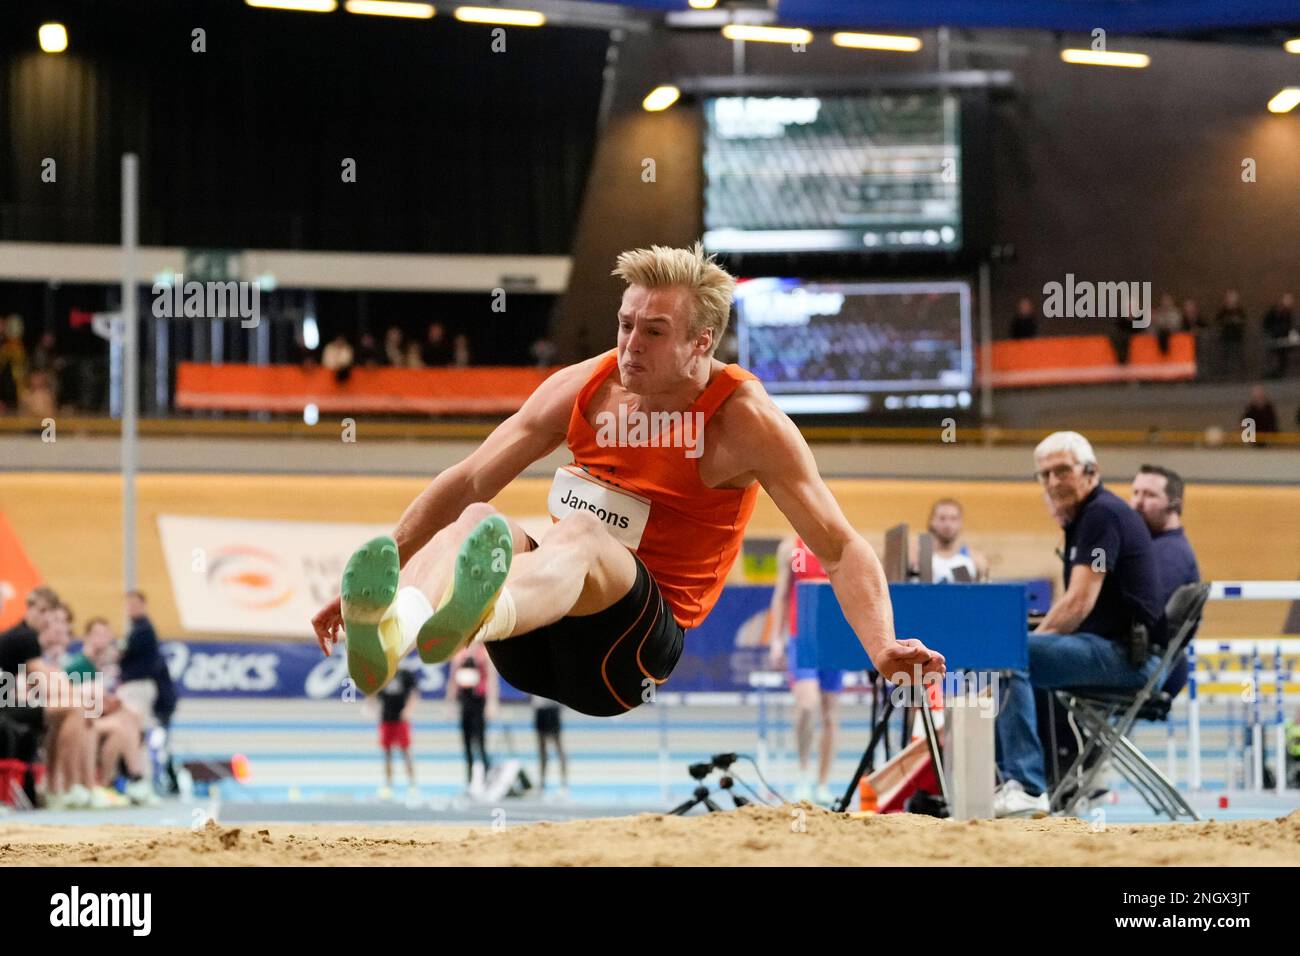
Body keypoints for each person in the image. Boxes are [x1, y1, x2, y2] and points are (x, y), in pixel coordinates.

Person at [312, 242, 942, 736]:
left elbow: (837, 547)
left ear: (702, 342)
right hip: (532, 638)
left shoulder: (744, 421)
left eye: (654, 332)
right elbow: (471, 475)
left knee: (581, 532)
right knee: (481, 516)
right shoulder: (587, 385)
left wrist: (882, 645)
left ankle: (478, 612)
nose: (629, 347)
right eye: (625, 324)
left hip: (626, 656)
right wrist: (390, 559)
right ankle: (404, 624)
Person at [993, 431, 1165, 817]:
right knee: (1017, 654)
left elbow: (1078, 603)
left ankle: (1027, 786)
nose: (1053, 482)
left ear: (1090, 471)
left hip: (1130, 658)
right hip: (1114, 649)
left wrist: (1023, 646)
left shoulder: (1102, 516)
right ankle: (1036, 780)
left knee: (1005, 654)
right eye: (1044, 475)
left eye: (1061, 471)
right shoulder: (1088, 518)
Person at [768, 534, 847, 804]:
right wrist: (776, 641)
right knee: (806, 704)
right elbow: (780, 596)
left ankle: (822, 783)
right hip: (801, 638)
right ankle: (802, 775)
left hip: (835, 639)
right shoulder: (791, 548)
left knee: (829, 714)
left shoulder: (841, 543)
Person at [1129, 465, 1201, 697]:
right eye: (1136, 492)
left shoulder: (1170, 554)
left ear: (1175, 505)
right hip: (1150, 661)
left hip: (1149, 666)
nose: (1138, 502)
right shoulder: (1152, 548)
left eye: (1149, 495)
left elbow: (1145, 614)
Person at [447, 641, 497, 796]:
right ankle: (469, 781)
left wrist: (491, 702)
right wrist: (449, 703)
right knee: (467, 742)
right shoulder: (460, 653)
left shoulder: (484, 653)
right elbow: (453, 679)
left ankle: (486, 778)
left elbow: (491, 678)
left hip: (479, 701)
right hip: (465, 701)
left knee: (480, 742)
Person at [376, 658, 419, 799]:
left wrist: (409, 710)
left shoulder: (406, 674)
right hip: (386, 718)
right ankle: (388, 784)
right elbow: (374, 692)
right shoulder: (382, 674)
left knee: (406, 753)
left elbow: (414, 694)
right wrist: (369, 706)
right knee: (387, 754)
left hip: (401, 719)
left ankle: (412, 784)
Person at [919, 498, 989, 582]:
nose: (947, 524)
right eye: (942, 518)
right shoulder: (917, 559)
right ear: (932, 521)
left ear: (960, 522)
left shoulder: (976, 561)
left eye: (953, 518)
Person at [530, 695, 567, 799]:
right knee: (542, 750)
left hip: (553, 707)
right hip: (539, 708)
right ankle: (542, 785)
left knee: (558, 747)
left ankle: (563, 785)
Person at [1215, 290, 1247, 381]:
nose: (1232, 300)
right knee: (1224, 356)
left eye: (1234, 298)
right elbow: (1218, 320)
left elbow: (1244, 320)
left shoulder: (1239, 309)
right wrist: (1227, 321)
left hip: (1237, 336)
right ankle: (1223, 375)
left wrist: (1238, 321)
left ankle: (1242, 374)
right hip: (1226, 336)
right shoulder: (1223, 310)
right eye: (1230, 298)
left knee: (1239, 355)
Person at [1262, 292, 1296, 378]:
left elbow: (1289, 325)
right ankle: (1272, 374)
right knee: (1276, 356)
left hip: (1284, 338)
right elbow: (1266, 323)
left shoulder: (1288, 313)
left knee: (1284, 356)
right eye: (1288, 300)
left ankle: (1280, 373)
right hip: (1274, 337)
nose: (1290, 303)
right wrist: (1273, 332)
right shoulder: (1275, 311)